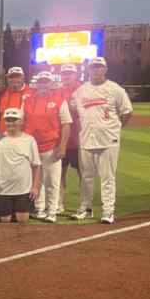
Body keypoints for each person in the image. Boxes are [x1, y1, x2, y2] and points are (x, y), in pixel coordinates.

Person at [71, 57, 133, 224]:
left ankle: (108, 211)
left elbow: (127, 111)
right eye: (93, 67)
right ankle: (86, 209)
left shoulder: (115, 89)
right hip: (86, 139)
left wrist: (116, 128)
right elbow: (72, 108)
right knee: (86, 177)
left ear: (105, 69)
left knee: (107, 178)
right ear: (89, 70)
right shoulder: (80, 91)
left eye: (99, 67)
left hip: (108, 141)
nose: (96, 70)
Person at [24, 72, 72, 223]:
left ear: (51, 84)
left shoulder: (59, 100)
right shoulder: (27, 100)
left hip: (51, 147)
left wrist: (63, 146)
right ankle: (39, 209)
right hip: (32, 148)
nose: (43, 85)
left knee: (52, 181)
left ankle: (52, 211)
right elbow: (21, 121)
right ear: (37, 83)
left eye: (46, 82)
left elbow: (66, 124)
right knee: (37, 180)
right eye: (41, 82)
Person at [0, 107, 41, 224]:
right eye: (8, 120)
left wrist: (35, 187)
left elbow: (36, 165)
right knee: (5, 221)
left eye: (14, 120)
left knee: (22, 221)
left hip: (23, 190)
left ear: (21, 121)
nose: (11, 123)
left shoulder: (29, 140)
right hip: (3, 190)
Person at [57, 63, 82, 214]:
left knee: (83, 174)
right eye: (65, 73)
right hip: (62, 140)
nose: (67, 76)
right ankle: (59, 203)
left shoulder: (83, 90)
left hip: (80, 140)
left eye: (70, 73)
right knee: (60, 173)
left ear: (76, 74)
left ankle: (84, 205)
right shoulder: (57, 91)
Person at [0, 67, 32, 133]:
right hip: (3, 135)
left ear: (23, 78)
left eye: (18, 77)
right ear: (7, 79)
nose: (14, 79)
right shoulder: (1, 93)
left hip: (22, 135)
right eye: (11, 77)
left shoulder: (32, 93)